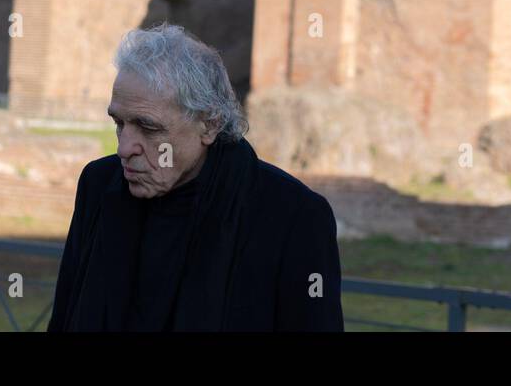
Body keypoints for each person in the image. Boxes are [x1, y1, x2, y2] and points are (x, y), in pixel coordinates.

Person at [47, 23, 344, 331]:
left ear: (209, 124)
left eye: (148, 128)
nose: (124, 148)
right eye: (119, 123)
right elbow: (65, 317)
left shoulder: (293, 216)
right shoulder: (99, 184)